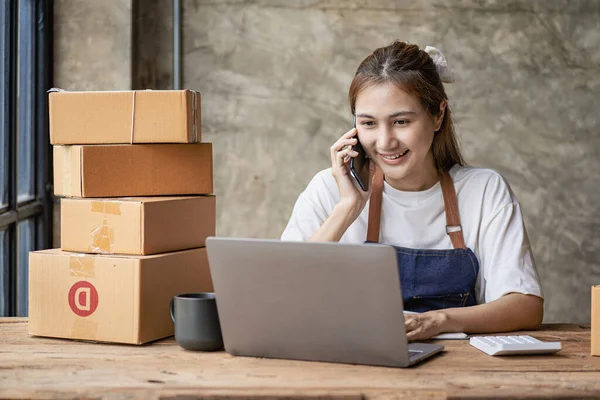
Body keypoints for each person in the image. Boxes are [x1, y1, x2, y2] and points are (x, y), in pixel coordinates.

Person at [281, 41, 544, 341]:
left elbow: (525, 306)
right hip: (352, 364)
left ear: (437, 115)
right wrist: (347, 209)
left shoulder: (484, 191)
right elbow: (284, 298)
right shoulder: (329, 190)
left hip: (459, 368)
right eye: (368, 123)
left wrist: (437, 321)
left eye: (401, 122)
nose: (385, 142)